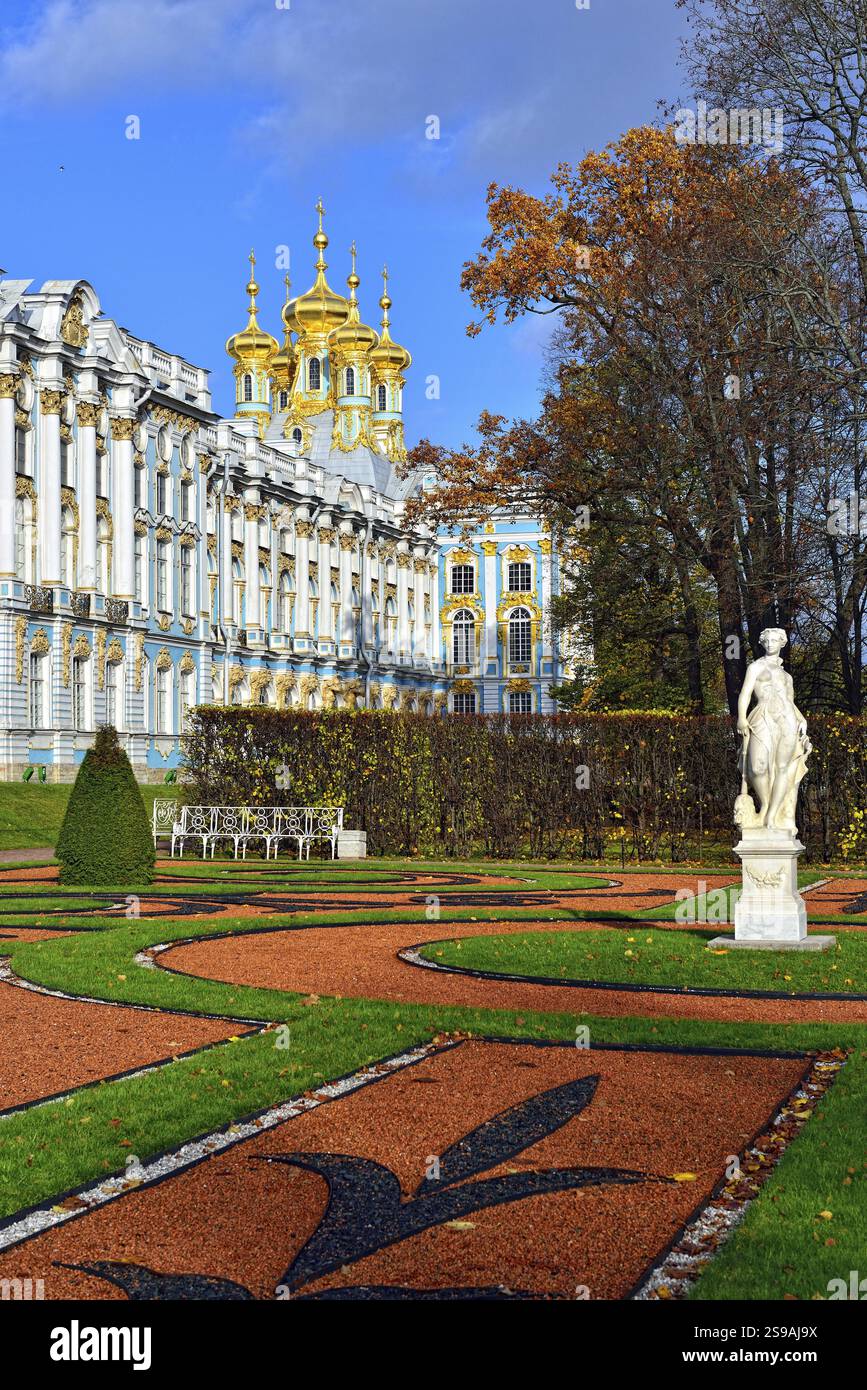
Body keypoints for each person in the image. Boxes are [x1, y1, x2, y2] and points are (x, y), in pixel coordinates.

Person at [736, 628, 810, 832]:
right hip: (762, 716)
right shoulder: (756, 667)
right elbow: (745, 694)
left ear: (782, 643)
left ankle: (772, 815)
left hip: (787, 720)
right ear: (762, 643)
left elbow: (790, 702)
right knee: (757, 767)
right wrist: (742, 718)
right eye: (766, 641)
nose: (770, 644)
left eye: (774, 641)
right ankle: (767, 805)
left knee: (782, 769)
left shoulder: (787, 677)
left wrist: (802, 719)